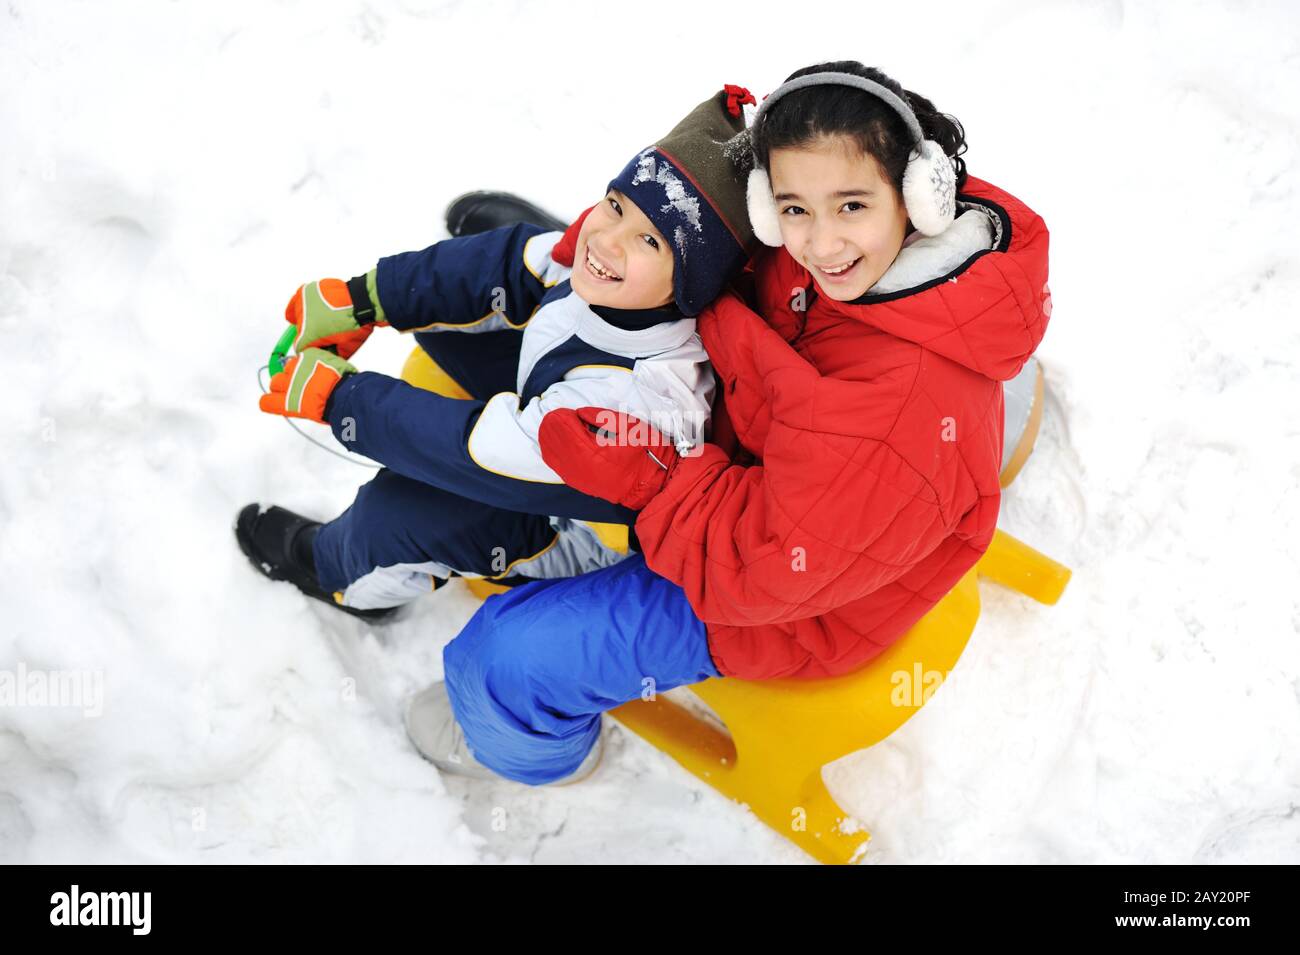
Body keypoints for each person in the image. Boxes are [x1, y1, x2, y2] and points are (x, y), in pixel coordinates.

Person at [406, 61, 1053, 786]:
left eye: (851, 206)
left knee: (503, 659)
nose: (821, 242)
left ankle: (530, 746)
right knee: (533, 332)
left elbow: (761, 571)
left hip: (782, 597)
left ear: (919, 195)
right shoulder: (848, 259)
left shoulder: (895, 413)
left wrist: (655, 475)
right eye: (794, 209)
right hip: (753, 441)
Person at [236, 87, 759, 630]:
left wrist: (343, 401)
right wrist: (367, 299)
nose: (605, 241)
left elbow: (489, 454)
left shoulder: (638, 400)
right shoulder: (606, 271)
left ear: (693, 283)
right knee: (446, 313)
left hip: (576, 528)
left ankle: (337, 572)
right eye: (616, 206)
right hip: (545, 422)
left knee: (401, 513)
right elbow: (510, 263)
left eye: (650, 241)